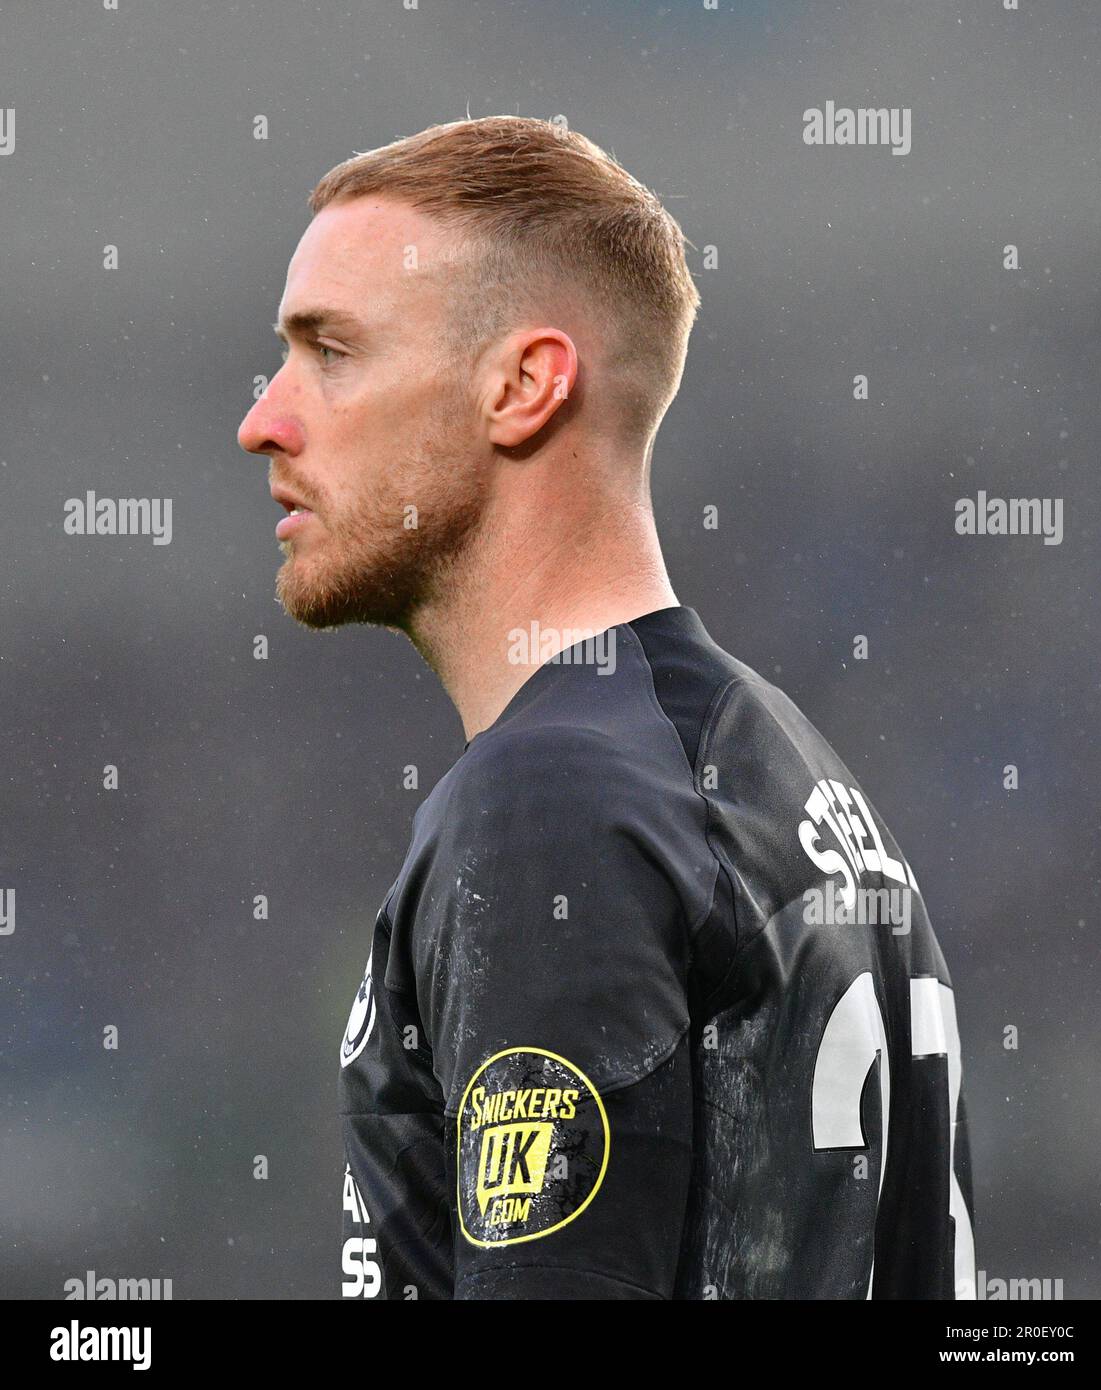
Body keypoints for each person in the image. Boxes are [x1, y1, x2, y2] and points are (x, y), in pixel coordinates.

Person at [237, 115, 975, 1300]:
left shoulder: (553, 805)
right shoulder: (784, 770)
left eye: (331, 351)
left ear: (524, 387)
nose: (264, 417)